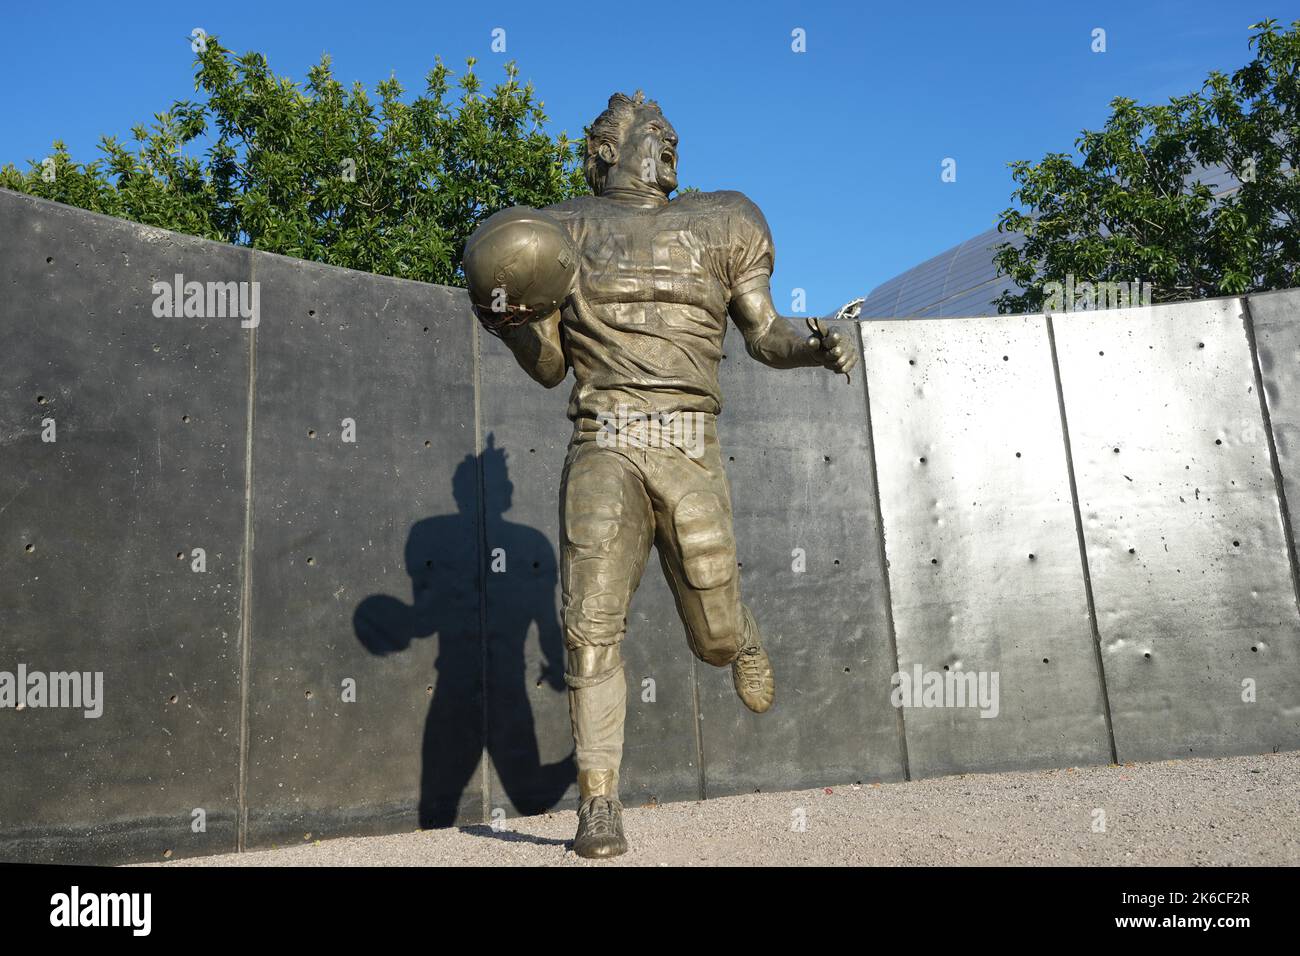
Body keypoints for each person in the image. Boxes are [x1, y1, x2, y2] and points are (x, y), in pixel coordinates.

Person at [476, 91, 859, 858]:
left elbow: (763, 332)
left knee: (712, 636)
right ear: (606, 150)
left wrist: (813, 342)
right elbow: (552, 367)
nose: (666, 144)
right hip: (604, 435)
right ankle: (599, 804)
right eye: (651, 133)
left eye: (672, 135)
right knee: (587, 624)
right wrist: (514, 326)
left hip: (689, 438)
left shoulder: (724, 219)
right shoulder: (554, 233)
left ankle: (738, 636)